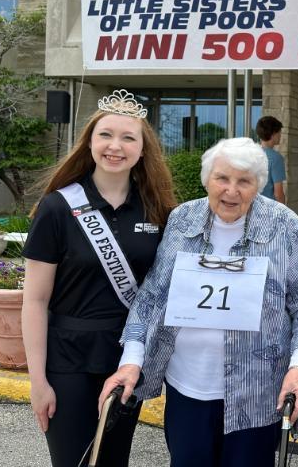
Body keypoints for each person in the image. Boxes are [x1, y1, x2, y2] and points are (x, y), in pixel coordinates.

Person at [99, 137, 298, 467]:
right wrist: (131, 359)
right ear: (207, 179)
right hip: (187, 386)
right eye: (222, 178)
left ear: (258, 184)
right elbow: (151, 295)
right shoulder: (181, 220)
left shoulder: (284, 225)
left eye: (244, 181)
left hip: (257, 391)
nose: (231, 190)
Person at [21, 89, 177, 467]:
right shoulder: (58, 207)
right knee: (73, 460)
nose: (115, 146)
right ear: (89, 142)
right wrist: (38, 382)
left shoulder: (158, 208)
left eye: (128, 137)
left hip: (126, 356)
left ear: (143, 149)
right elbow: (35, 300)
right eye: (105, 134)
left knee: (113, 460)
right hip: (67, 359)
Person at [256, 115, 286, 205]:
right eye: (279, 132)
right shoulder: (275, 158)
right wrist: (283, 214)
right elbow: (278, 193)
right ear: (273, 134)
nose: (280, 135)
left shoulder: (250, 154)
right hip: (268, 210)